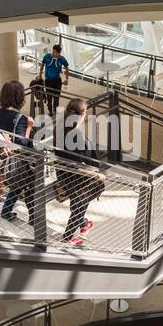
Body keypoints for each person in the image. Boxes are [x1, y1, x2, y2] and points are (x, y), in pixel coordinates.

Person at [56, 97, 104, 246]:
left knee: (78, 204)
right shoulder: (77, 135)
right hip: (79, 178)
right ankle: (68, 237)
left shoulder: (59, 128)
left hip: (64, 174)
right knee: (80, 205)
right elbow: (84, 162)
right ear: (82, 114)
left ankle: (83, 223)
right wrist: (98, 174)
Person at [0, 79, 36, 226]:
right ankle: (34, 219)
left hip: (7, 158)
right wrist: (29, 127)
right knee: (30, 187)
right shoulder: (21, 118)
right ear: (19, 97)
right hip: (22, 159)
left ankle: (6, 211)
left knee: (17, 184)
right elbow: (22, 143)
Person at [39, 43, 69, 111]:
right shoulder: (47, 56)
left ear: (59, 53)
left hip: (57, 81)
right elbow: (42, 65)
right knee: (49, 98)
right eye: (52, 51)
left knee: (56, 98)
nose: (52, 53)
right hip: (48, 81)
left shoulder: (62, 59)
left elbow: (67, 68)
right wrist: (40, 75)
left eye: (55, 52)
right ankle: (50, 112)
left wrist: (67, 79)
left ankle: (55, 111)